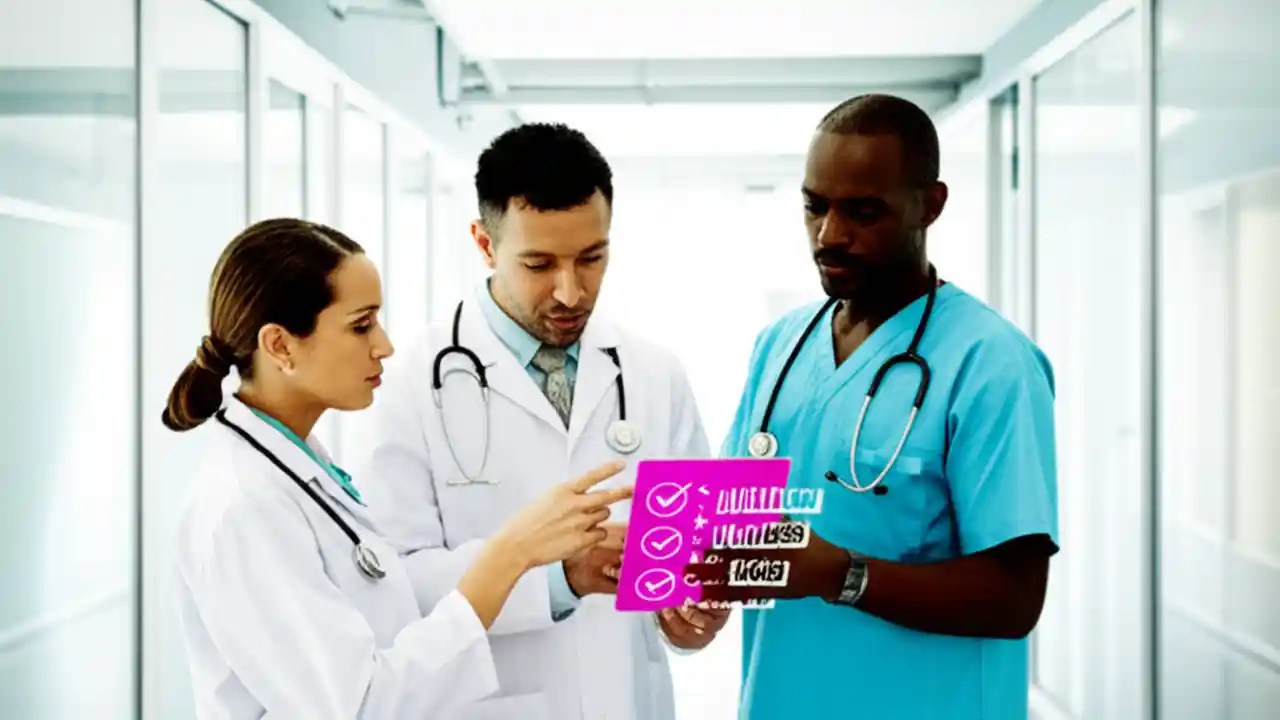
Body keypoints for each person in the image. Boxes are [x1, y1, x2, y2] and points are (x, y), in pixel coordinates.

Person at [163, 218, 633, 719]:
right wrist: (511, 552)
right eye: (361, 324)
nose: (384, 345)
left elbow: (396, 600)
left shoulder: (298, 471)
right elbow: (360, 705)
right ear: (280, 345)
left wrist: (556, 571)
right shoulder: (244, 505)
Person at [687, 94, 1059, 719]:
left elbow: (1015, 599)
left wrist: (840, 573)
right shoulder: (779, 346)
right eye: (814, 207)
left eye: (864, 212)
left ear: (930, 205)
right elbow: (731, 522)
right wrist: (685, 585)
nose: (830, 234)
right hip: (779, 699)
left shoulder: (991, 362)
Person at [362, 122, 729, 720]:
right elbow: (396, 587)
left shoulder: (656, 374)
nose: (569, 292)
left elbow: (700, 555)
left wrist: (696, 619)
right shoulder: (412, 382)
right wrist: (559, 578)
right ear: (485, 244)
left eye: (592, 258)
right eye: (538, 264)